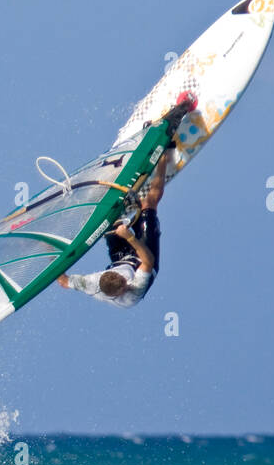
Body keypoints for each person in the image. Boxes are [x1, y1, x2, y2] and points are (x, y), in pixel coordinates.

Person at [56, 91, 195, 308]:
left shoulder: (91, 283)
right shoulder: (132, 292)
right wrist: (130, 237)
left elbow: (64, 281)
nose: (126, 284)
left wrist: (49, 252)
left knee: (108, 219)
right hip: (144, 260)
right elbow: (147, 261)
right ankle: (164, 152)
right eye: (124, 284)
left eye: (121, 281)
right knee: (150, 205)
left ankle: (126, 191)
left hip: (119, 257)